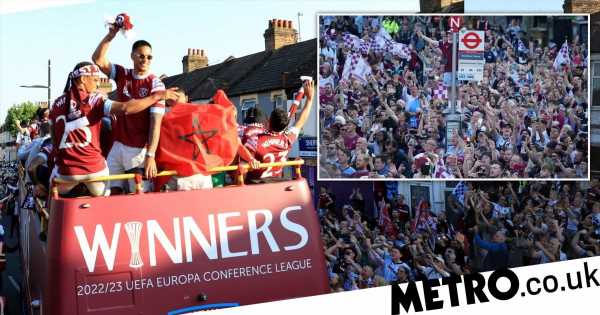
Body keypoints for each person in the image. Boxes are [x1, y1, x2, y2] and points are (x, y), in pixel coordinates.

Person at [49, 62, 178, 196]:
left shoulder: (55, 104)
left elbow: (54, 137)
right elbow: (126, 108)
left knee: (52, 191)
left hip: (66, 172)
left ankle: (46, 214)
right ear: (83, 79)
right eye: (95, 80)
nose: (98, 84)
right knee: (106, 197)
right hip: (94, 170)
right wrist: (156, 96)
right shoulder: (95, 100)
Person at [92, 26, 166, 192]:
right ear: (132, 56)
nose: (145, 59)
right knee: (112, 194)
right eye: (141, 55)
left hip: (138, 151)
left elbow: (156, 124)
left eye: (149, 57)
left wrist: (150, 156)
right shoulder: (122, 74)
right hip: (117, 146)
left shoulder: (156, 84)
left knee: (138, 197)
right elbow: (97, 59)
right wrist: (111, 35)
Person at [245, 79, 314, 180]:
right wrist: (310, 99)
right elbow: (301, 121)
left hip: (256, 185)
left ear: (268, 121)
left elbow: (243, 164)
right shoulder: (288, 139)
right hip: (276, 183)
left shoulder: (254, 140)